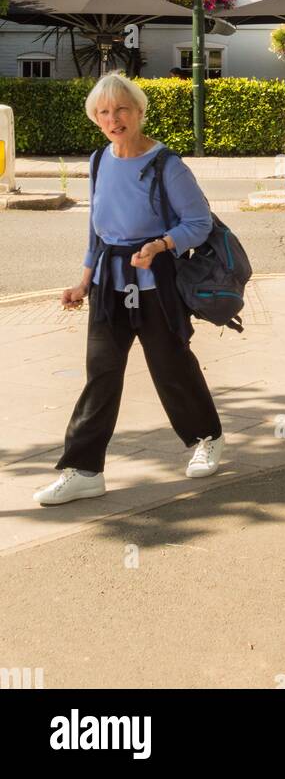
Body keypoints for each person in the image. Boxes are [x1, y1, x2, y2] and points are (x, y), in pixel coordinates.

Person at [33, 73, 224, 506]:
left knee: (170, 366)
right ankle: (83, 470)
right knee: (100, 374)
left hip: (156, 283)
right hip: (108, 283)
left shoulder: (167, 165)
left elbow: (199, 223)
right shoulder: (99, 161)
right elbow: (96, 230)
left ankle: (207, 438)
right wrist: (83, 281)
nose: (113, 118)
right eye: (103, 112)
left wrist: (161, 244)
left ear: (139, 112)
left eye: (121, 109)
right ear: (95, 119)